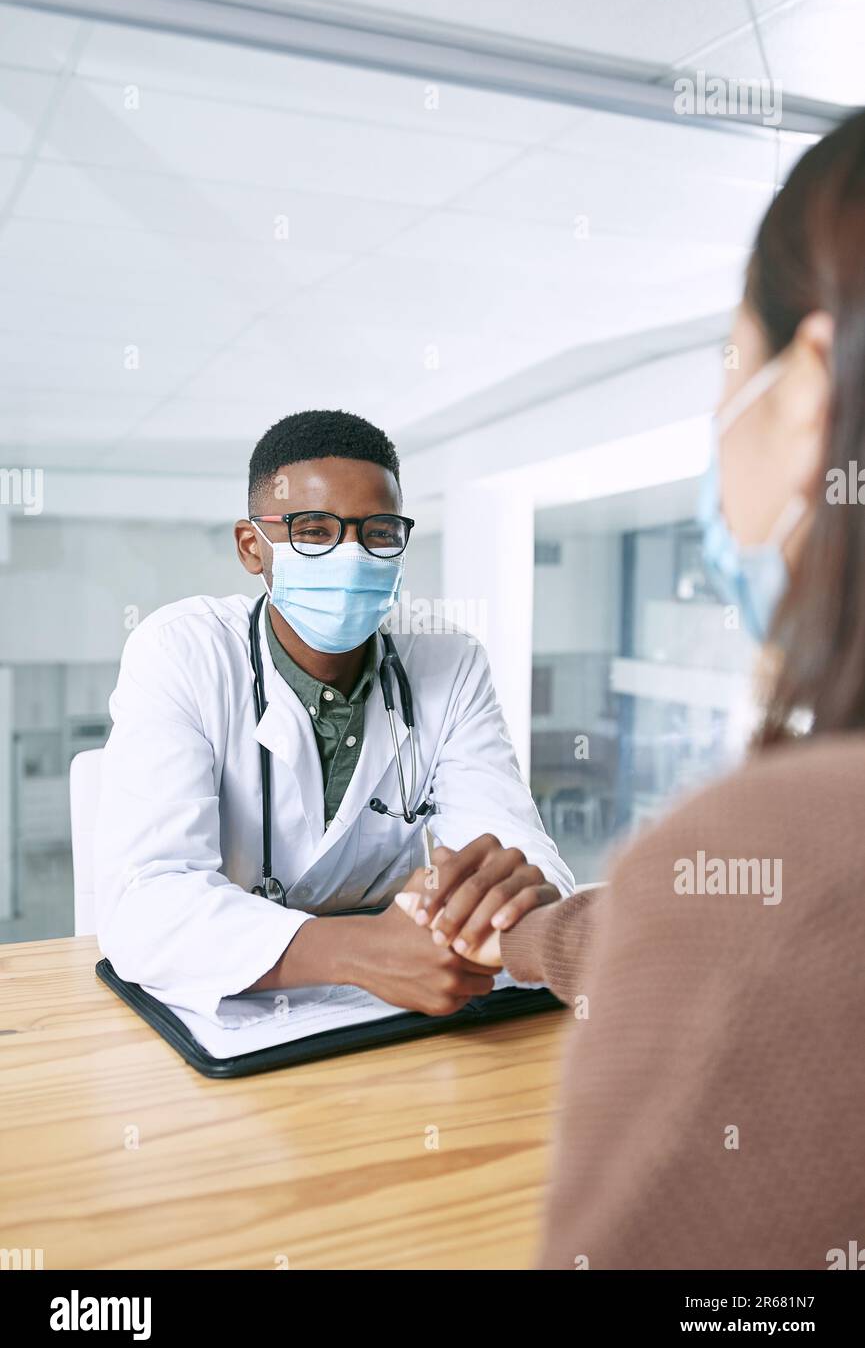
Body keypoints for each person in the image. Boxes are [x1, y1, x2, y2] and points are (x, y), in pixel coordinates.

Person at [404, 112, 865, 1269]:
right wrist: (528, 935)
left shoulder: (790, 856)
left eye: (727, 368)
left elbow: (765, 924)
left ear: (807, 391)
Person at [94, 411, 573, 1024]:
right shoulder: (181, 652)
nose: (351, 556)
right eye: (313, 531)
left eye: (377, 533)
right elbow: (144, 905)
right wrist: (355, 952)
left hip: (405, 1020)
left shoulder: (450, 664)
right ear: (251, 546)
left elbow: (515, 846)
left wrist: (504, 897)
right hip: (235, 1022)